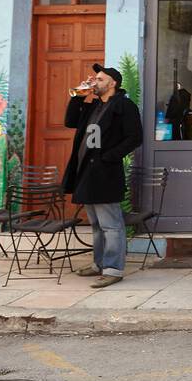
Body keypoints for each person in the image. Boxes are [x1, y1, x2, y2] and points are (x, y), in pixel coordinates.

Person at [63, 63, 143, 287]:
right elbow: (69, 121)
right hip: (86, 173)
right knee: (97, 225)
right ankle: (99, 264)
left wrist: (110, 157)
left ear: (112, 83)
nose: (94, 82)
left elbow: (135, 137)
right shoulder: (92, 107)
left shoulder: (124, 106)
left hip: (106, 173)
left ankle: (113, 269)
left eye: (99, 79)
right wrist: (78, 95)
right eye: (95, 79)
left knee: (111, 225)